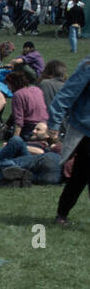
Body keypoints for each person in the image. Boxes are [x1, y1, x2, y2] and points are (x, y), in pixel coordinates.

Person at [51, 56, 90, 226]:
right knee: (80, 176)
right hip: (86, 130)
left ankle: (62, 214)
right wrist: (54, 123)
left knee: (80, 175)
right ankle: (62, 213)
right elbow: (66, 95)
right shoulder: (88, 66)